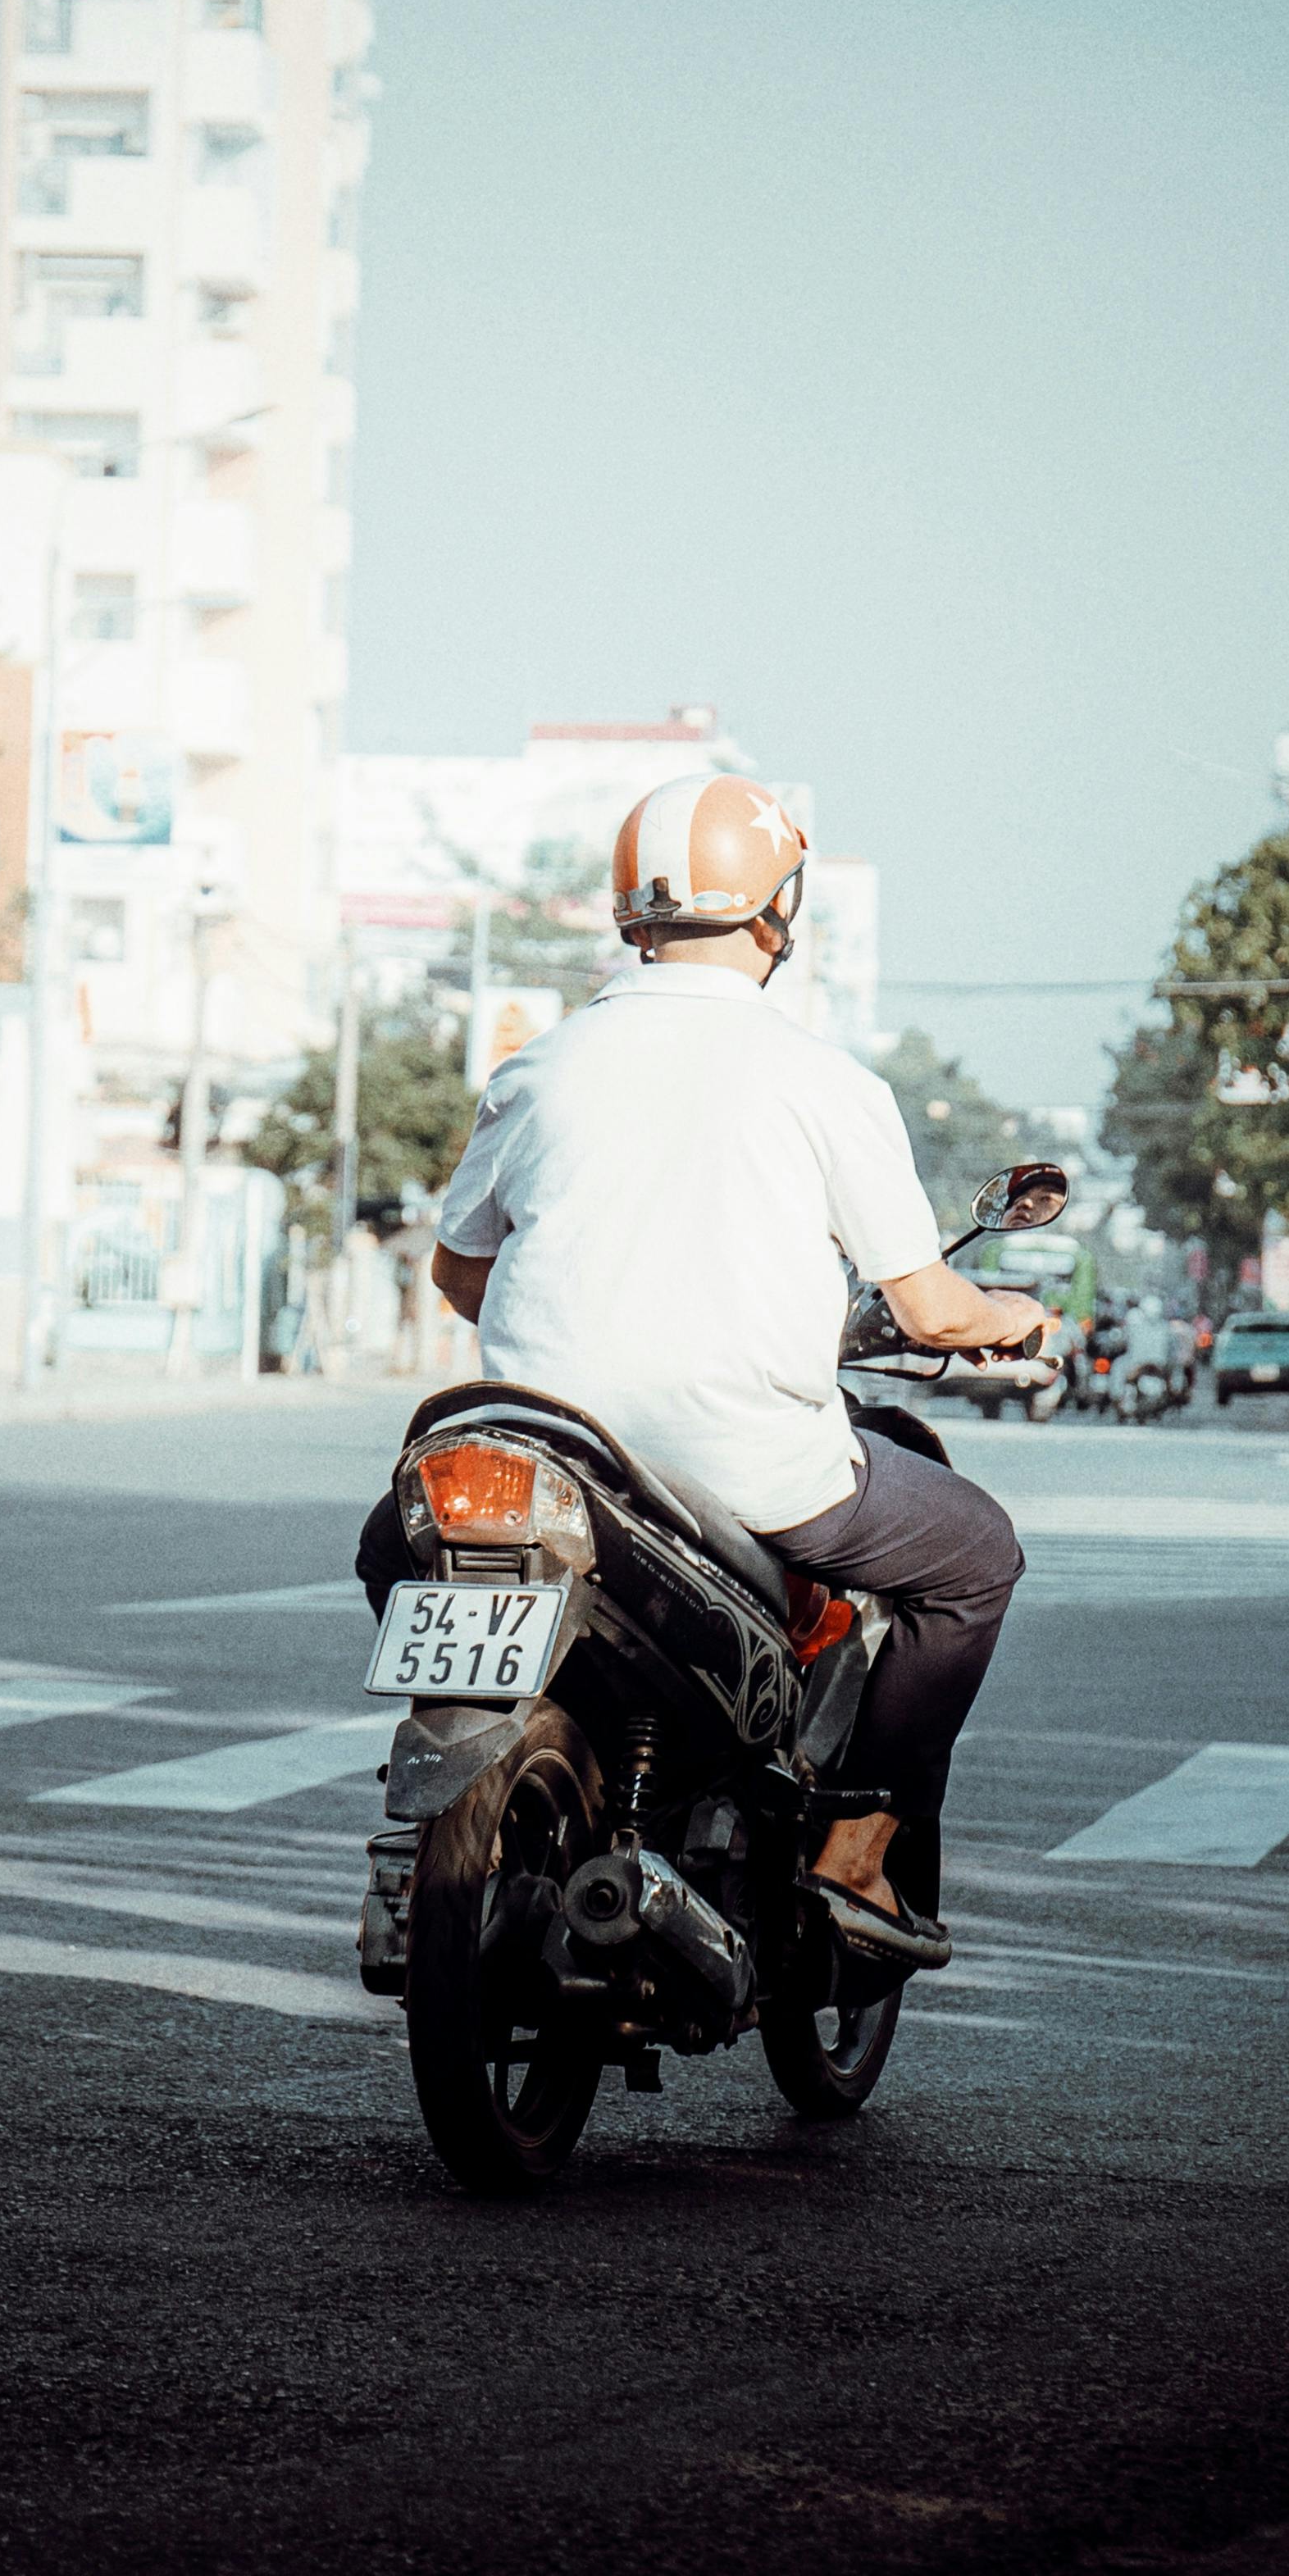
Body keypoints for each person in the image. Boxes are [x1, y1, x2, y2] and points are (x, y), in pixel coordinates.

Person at [355, 771, 1050, 1968]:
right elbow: (927, 1309)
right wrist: (1013, 1316)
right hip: (748, 1467)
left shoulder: (540, 1069)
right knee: (977, 1559)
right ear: (779, 913)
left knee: (391, 1545)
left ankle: (519, 1773)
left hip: (537, 1446)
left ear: (634, 911)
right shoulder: (826, 1083)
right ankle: (853, 1854)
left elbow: (463, 1278)